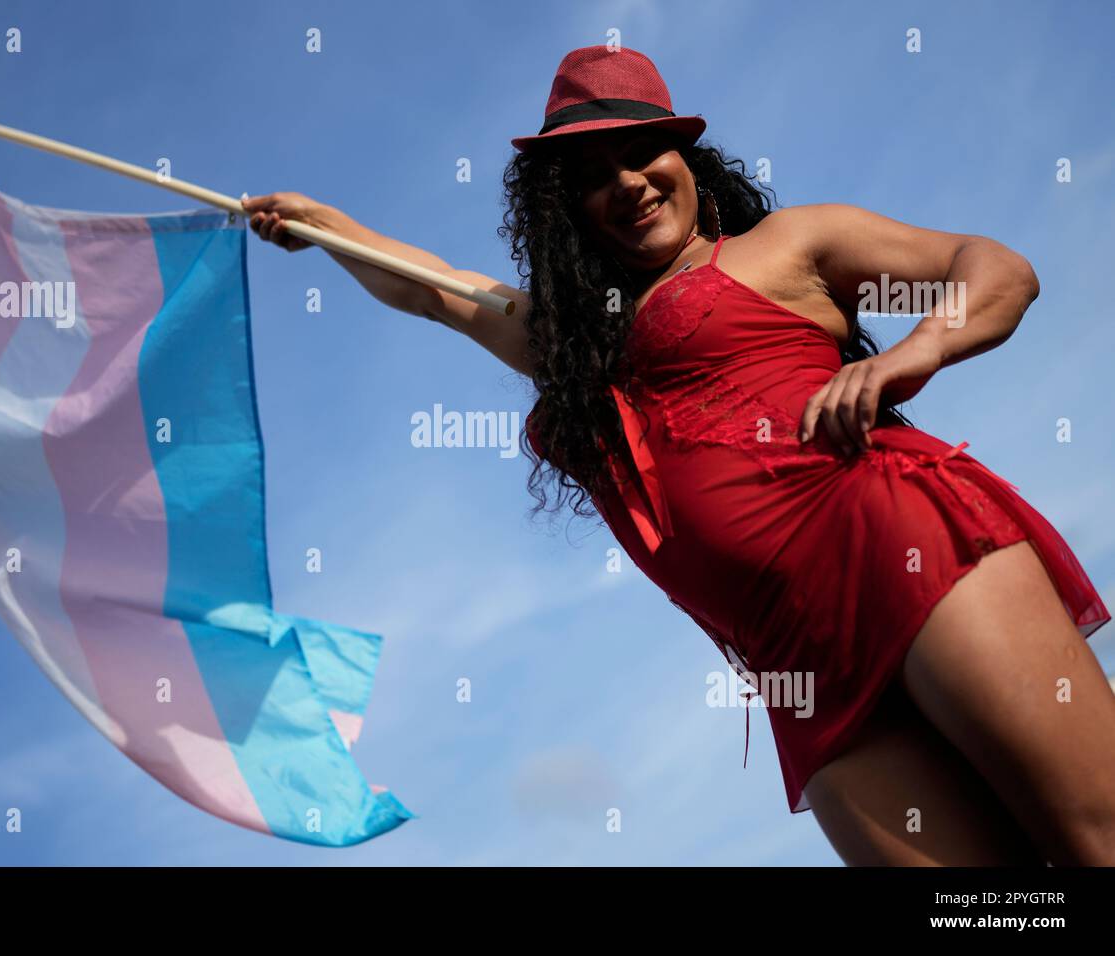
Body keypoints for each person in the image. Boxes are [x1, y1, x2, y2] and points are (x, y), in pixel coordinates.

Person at [241, 45, 1114, 866]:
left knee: (1093, 836)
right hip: (791, 658)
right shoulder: (574, 341)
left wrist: (909, 355)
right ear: (567, 208)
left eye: (643, 153)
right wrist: (317, 223)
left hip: (900, 541)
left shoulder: (786, 248)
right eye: (592, 176)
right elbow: (434, 289)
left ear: (686, 155)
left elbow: (995, 268)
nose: (628, 184)